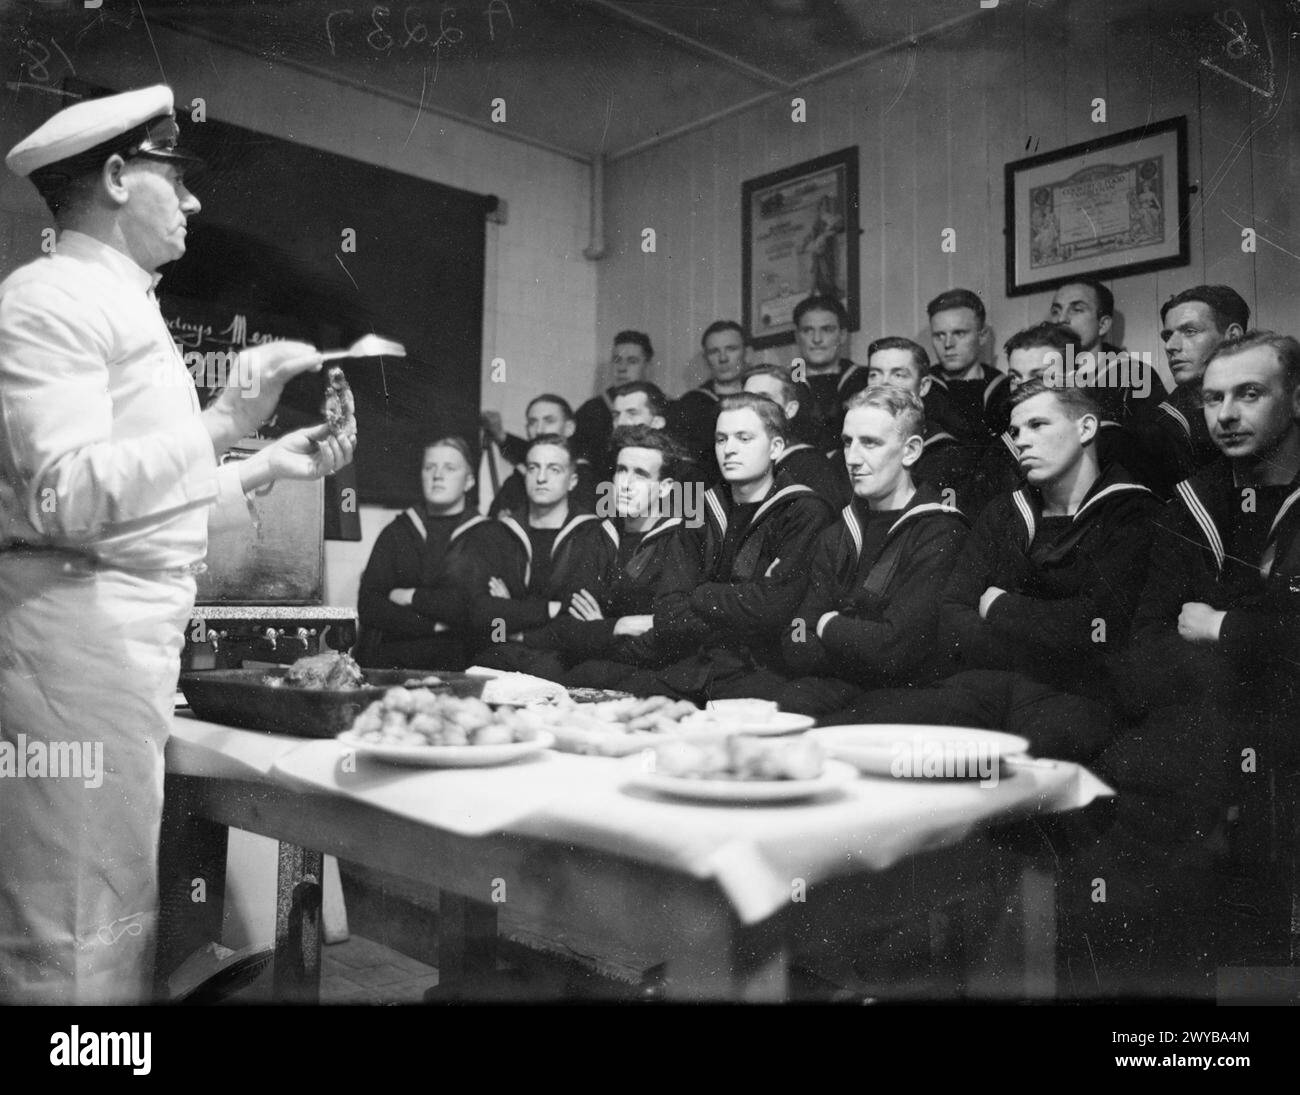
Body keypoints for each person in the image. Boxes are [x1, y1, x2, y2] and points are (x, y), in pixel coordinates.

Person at [0, 86, 354, 1004]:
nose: (193, 202)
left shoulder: (125, 303)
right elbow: (64, 494)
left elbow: (144, 504)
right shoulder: (49, 299)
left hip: (119, 646)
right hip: (70, 651)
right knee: (71, 925)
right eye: (175, 176)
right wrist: (221, 420)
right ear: (117, 177)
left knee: (112, 904)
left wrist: (266, 462)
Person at [1082, 331, 1300, 992]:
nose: (1227, 413)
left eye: (1249, 394)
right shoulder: (1192, 499)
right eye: (1213, 398)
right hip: (1210, 725)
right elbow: (1148, 639)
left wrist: (1226, 626)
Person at [826, 380, 1160, 764]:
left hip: (1082, 693)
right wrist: (1042, 634)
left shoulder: (1132, 512)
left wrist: (999, 607)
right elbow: (952, 618)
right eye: (1016, 431)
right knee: (854, 730)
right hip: (989, 685)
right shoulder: (1004, 511)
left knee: (1027, 763)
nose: (1022, 441)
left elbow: (1095, 626)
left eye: (1038, 425)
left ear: (1085, 428)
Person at [591, 393, 834, 702]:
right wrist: (742, 601)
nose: (729, 449)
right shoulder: (698, 506)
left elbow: (775, 609)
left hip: (763, 672)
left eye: (744, 438)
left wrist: (701, 593)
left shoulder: (804, 510)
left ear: (775, 447)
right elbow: (668, 612)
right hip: (694, 670)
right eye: (721, 439)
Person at [766, 388, 970, 716]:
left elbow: (895, 650)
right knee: (786, 709)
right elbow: (797, 635)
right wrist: (841, 634)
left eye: (870, 443)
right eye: (848, 442)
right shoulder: (838, 531)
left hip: (908, 696)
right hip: (838, 686)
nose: (853, 458)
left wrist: (828, 625)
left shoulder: (940, 530)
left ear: (911, 450)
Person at [516, 426, 701, 680]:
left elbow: (669, 639)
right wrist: (619, 626)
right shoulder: (597, 535)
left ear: (665, 487)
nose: (626, 484)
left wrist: (599, 629)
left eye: (641, 475)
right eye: (622, 470)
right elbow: (567, 628)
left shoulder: (680, 540)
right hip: (593, 666)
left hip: (648, 675)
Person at [356, 438, 500, 671]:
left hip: (461, 662)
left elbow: (476, 609)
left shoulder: (488, 534)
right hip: (396, 661)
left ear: (469, 481)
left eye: (450, 468)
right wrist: (434, 626)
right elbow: (370, 606)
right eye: (429, 467)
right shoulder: (397, 532)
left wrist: (409, 596)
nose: (437, 475)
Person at [470, 434, 607, 671]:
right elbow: (483, 614)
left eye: (554, 469)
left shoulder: (592, 534)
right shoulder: (499, 531)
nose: (541, 478)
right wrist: (549, 609)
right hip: (501, 652)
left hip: (563, 660)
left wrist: (514, 617)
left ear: (572, 480)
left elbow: (577, 619)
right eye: (533, 468)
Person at [1142, 284, 1250, 493]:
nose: (1170, 346)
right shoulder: (1159, 427)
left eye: (1190, 331)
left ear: (1234, 336)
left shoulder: (1280, 405)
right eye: (1167, 336)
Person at [863, 336, 969, 506]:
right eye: (875, 374)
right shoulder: (854, 445)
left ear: (924, 386)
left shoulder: (943, 454)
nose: (884, 383)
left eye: (898, 374)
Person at [742, 364, 845, 504]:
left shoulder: (813, 467)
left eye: (764, 399)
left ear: (790, 409)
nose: (751, 408)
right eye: (745, 399)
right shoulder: (730, 458)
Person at [487, 393, 598, 518]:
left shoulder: (585, 478)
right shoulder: (517, 479)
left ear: (569, 428)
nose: (539, 430)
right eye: (533, 422)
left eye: (549, 421)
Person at [924, 288, 1011, 445]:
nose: (948, 344)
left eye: (959, 333)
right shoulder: (923, 387)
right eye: (939, 335)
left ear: (982, 336)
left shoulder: (1003, 388)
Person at [670, 320, 748, 486]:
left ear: (747, 352)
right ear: (706, 358)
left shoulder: (761, 394)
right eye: (714, 351)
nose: (723, 358)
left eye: (731, 349)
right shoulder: (690, 404)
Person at [791, 294, 869, 453]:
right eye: (808, 330)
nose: (817, 339)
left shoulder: (864, 379)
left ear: (842, 335)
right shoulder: (786, 382)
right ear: (797, 336)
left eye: (826, 330)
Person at [572, 330, 655, 469]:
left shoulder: (665, 406)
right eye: (617, 360)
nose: (622, 368)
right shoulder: (591, 410)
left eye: (632, 361)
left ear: (647, 366)